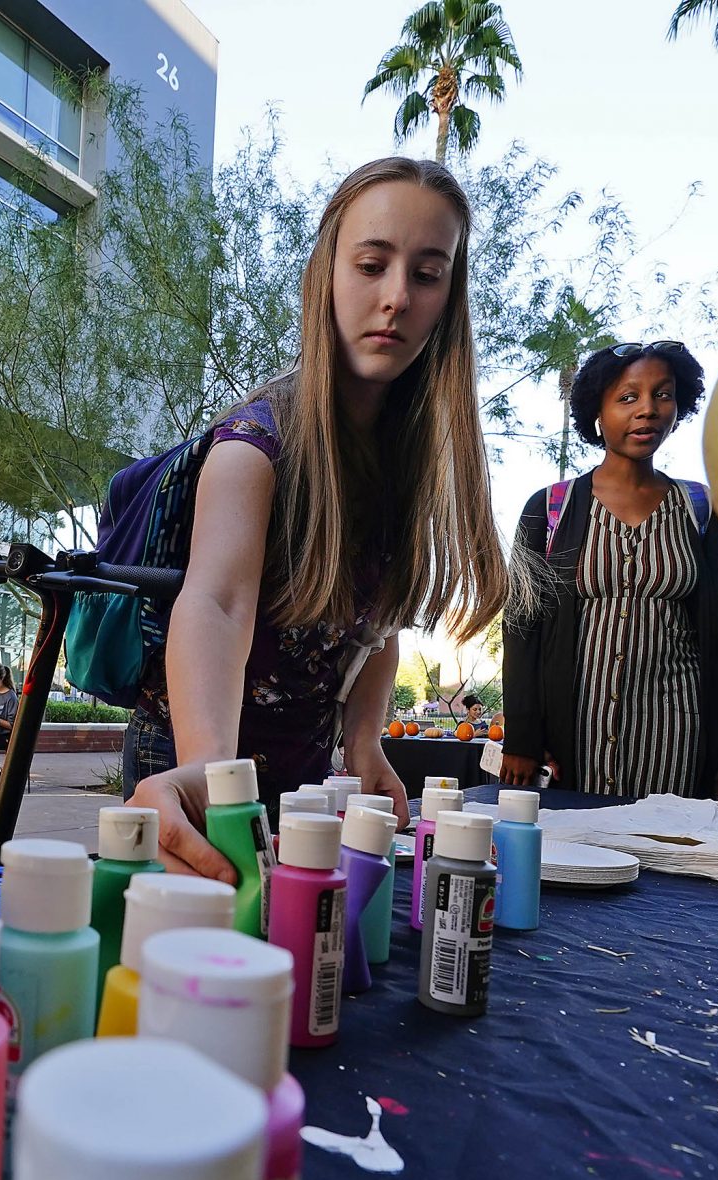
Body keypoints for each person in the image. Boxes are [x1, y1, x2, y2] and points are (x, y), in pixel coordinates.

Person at [123, 156, 515, 878]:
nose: (396, 296)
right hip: (190, 763)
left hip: (309, 771)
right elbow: (216, 601)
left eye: (427, 274)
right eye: (372, 264)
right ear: (326, 273)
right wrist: (208, 765)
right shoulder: (256, 444)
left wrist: (365, 740)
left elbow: (380, 624)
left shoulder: (412, 458)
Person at [501, 342, 718, 801]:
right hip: (577, 734)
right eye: (627, 397)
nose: (648, 410)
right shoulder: (549, 508)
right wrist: (522, 739)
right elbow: (521, 629)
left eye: (663, 395)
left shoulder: (701, 509)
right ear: (597, 413)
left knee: (666, 859)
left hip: (678, 733)